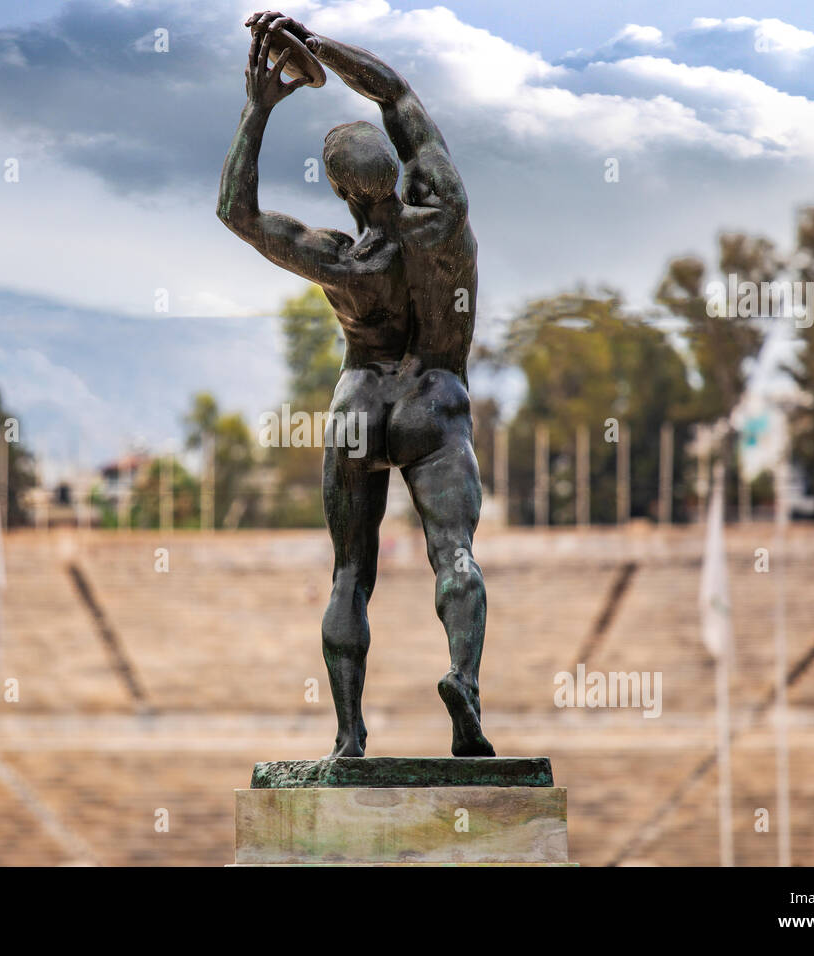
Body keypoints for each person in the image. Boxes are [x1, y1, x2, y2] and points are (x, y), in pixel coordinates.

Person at [218, 11, 494, 757]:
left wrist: (260, 104)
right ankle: (462, 683)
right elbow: (397, 94)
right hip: (434, 400)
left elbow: (235, 213)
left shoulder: (341, 260)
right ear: (400, 170)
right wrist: (321, 50)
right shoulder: (444, 211)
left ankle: (349, 737)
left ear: (341, 190)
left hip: (359, 402)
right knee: (455, 554)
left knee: (349, 571)